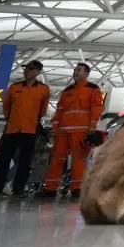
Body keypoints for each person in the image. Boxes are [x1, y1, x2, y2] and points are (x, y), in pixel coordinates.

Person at [39, 63, 103, 198]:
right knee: (57, 159)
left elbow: (96, 108)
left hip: (81, 131)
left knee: (78, 159)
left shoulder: (93, 89)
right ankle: (50, 188)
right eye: (75, 70)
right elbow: (60, 110)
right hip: (62, 131)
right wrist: (55, 128)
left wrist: (92, 127)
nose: (75, 72)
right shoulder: (67, 91)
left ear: (86, 73)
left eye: (78, 70)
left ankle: (77, 189)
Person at [0, 60, 49, 198]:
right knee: (3, 160)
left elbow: (43, 110)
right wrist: (12, 119)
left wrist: (34, 122)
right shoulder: (14, 87)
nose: (26, 71)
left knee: (25, 162)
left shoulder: (44, 89)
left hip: (30, 131)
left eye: (30, 69)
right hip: (12, 130)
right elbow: (6, 106)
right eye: (26, 68)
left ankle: (18, 189)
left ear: (37, 72)